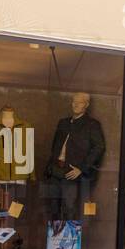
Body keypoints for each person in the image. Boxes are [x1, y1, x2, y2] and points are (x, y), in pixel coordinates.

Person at [44, 92, 105, 222]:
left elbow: (99, 147)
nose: (76, 104)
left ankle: (67, 241)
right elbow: (55, 146)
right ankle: (54, 240)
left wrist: (81, 169)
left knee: (69, 209)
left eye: (80, 102)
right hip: (55, 171)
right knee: (53, 208)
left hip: (72, 173)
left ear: (86, 105)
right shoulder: (63, 123)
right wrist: (50, 167)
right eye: (74, 101)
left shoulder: (92, 124)